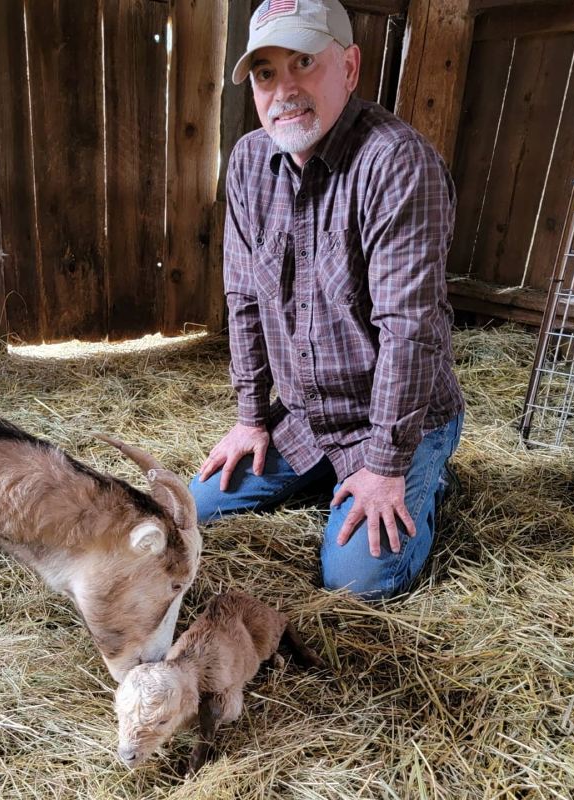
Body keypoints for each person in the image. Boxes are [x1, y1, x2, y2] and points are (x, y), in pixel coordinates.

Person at [189, 0, 465, 599]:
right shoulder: (248, 162)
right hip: (310, 416)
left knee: (357, 583)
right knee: (194, 508)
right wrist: (249, 418)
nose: (283, 89)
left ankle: (428, 476)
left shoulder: (397, 164)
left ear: (351, 66)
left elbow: (409, 331)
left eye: (304, 62)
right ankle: (329, 477)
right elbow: (242, 298)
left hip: (399, 423)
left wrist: (388, 467)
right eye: (265, 72)